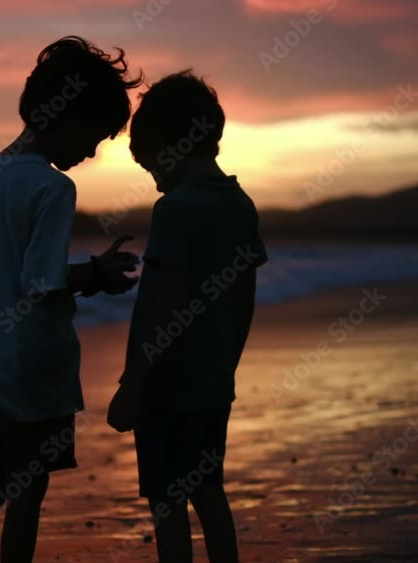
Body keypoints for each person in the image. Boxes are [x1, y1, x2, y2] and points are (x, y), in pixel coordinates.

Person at [0, 36, 143, 563]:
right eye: (94, 136)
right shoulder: (54, 189)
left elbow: (3, 272)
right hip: (30, 370)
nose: (93, 152)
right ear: (68, 118)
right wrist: (97, 273)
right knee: (27, 495)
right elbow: (43, 282)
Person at [107, 71, 269, 563]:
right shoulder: (241, 206)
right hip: (215, 381)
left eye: (150, 161)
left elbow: (160, 307)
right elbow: (244, 302)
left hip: (166, 385)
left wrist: (134, 383)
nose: (151, 176)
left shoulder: (175, 210)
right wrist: (225, 369)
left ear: (172, 145)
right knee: (208, 491)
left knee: (166, 501)